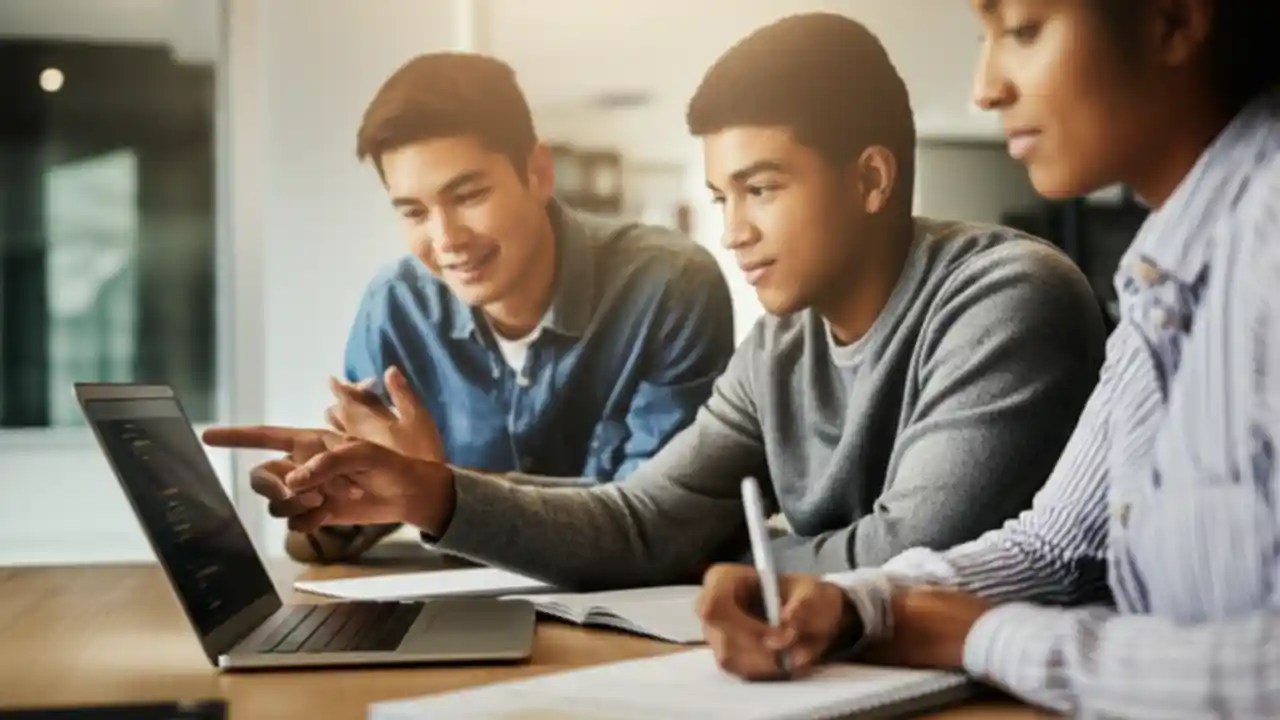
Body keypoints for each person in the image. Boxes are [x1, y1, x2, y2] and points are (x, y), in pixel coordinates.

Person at [205, 14, 1105, 585]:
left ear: (870, 177)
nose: (734, 232)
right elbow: (641, 519)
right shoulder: (777, 350)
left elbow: (913, 562)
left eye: (762, 189)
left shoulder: (1005, 296)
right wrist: (432, 495)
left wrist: (705, 551)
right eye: (723, 198)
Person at [696, 1, 1280, 717]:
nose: (986, 88)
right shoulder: (1167, 268)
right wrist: (857, 607)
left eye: (1025, 31)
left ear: (1174, 20)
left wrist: (986, 636)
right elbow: (1056, 547)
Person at [282, 53, 736, 563]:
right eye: (414, 212)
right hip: (463, 612)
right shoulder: (395, 306)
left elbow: (659, 521)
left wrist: (431, 487)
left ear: (539, 174)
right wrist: (314, 494)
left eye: (469, 195)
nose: (446, 239)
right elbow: (347, 523)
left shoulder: (670, 288)